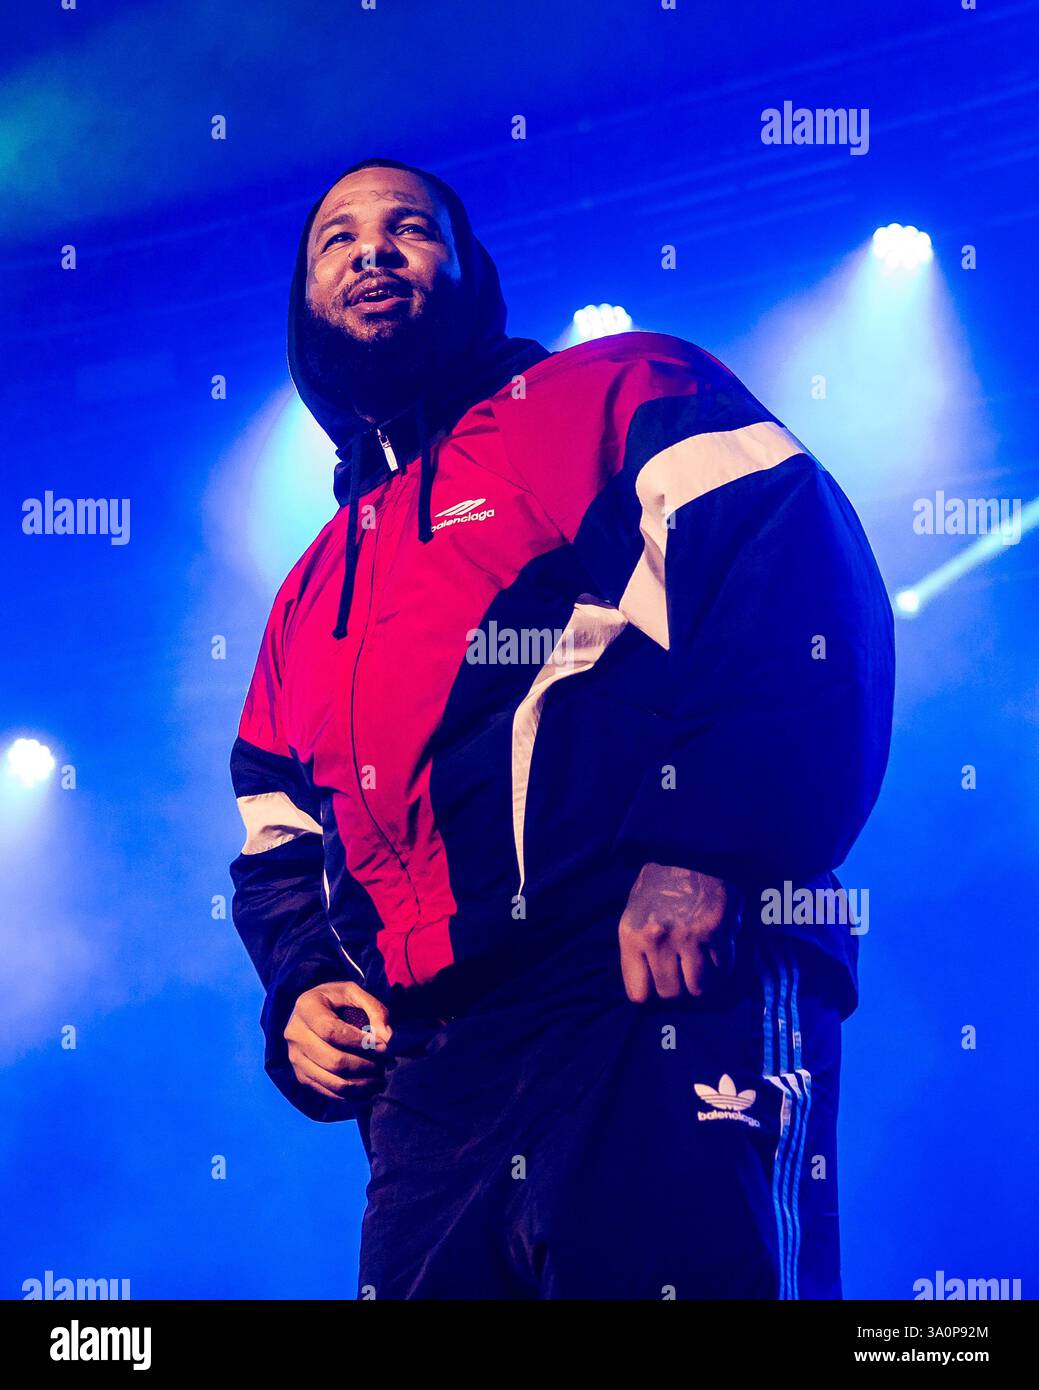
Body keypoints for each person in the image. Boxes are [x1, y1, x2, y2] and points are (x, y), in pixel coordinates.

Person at [228, 156, 895, 1300]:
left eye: (408, 228)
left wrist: (711, 846)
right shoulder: (306, 591)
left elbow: (795, 597)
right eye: (336, 240)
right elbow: (278, 838)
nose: (372, 251)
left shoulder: (622, 389)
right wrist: (301, 988)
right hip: (436, 1072)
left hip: (652, 979)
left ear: (469, 268)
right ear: (304, 304)